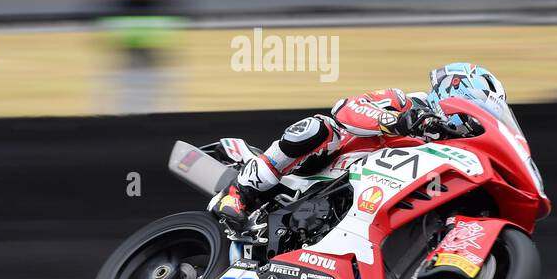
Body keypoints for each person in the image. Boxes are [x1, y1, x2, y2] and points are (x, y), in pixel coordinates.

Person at [211, 62, 506, 230]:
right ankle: (239, 193)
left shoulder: (452, 147)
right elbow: (346, 108)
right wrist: (397, 121)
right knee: (318, 128)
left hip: (376, 198)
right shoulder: (405, 103)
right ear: (455, 91)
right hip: (331, 168)